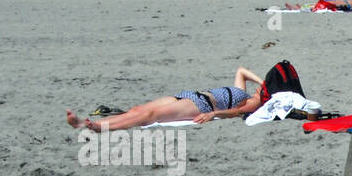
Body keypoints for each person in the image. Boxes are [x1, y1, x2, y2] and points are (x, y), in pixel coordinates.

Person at [66, 66, 266, 132]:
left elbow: (237, 112)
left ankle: (97, 127)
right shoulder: (246, 92)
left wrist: (214, 114)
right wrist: (263, 81)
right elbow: (241, 70)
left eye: (262, 90)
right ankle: (85, 123)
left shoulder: (253, 103)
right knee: (137, 109)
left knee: (149, 116)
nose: (258, 89)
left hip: (202, 104)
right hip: (191, 95)